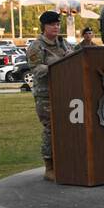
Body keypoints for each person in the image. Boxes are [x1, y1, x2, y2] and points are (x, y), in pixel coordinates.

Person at [27, 10, 73, 180]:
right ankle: (49, 167)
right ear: (44, 27)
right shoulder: (36, 46)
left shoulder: (63, 43)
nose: (56, 27)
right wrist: (56, 65)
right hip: (46, 95)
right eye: (52, 24)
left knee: (66, 128)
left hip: (65, 92)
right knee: (51, 129)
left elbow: (74, 57)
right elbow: (36, 69)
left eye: (58, 24)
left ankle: (65, 162)